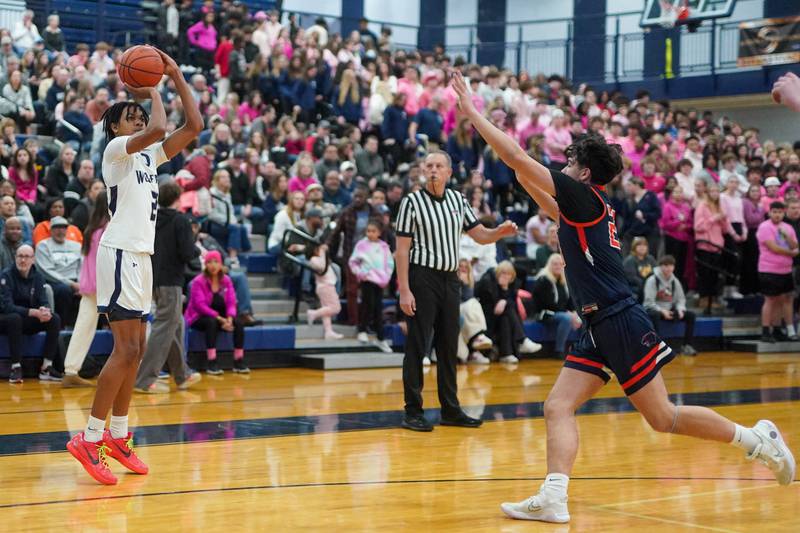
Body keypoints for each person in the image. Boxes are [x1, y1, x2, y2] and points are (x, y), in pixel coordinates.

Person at [452, 71, 795, 524]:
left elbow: (517, 156)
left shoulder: (585, 196)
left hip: (618, 318)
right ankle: (555, 494)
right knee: (557, 405)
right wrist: (517, 166)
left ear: (584, 172)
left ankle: (757, 440)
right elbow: (527, 177)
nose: (563, 165)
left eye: (569, 160)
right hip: (600, 324)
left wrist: (473, 112)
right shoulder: (584, 206)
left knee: (663, 418)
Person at [66, 48, 203, 486]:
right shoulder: (116, 151)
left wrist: (177, 75)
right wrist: (154, 91)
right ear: (114, 127)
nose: (139, 119)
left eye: (140, 116)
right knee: (125, 350)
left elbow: (194, 127)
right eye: (131, 116)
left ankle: (119, 438)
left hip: (140, 257)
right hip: (121, 251)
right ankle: (89, 438)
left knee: (138, 351)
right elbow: (162, 124)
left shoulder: (148, 157)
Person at [395, 150, 518, 432]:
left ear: (449, 172)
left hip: (451, 279)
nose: (434, 170)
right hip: (421, 277)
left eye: (439, 165)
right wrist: (404, 289)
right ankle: (412, 411)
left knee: (449, 346)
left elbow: (480, 235)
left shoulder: (457, 200)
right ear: (423, 171)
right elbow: (401, 251)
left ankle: (450, 409)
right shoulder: (411, 203)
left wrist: (499, 231)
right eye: (429, 166)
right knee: (417, 344)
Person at [135, 180, 201, 393]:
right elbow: (187, 253)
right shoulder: (180, 220)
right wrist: (197, 250)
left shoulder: (151, 218)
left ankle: (182, 375)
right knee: (164, 327)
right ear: (177, 198)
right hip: (171, 281)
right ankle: (143, 380)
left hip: (153, 279)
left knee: (175, 325)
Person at [62, 192, 109, 388]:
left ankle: (71, 371)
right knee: (128, 331)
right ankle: (138, 371)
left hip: (89, 286)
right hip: (106, 287)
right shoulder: (108, 229)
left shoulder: (91, 229)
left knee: (82, 329)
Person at [1, 244, 63, 384]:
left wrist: (45, 310)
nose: (23, 260)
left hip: (28, 319)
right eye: (20, 256)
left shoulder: (38, 276)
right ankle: (15, 367)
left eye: (26, 257)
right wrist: (32, 312)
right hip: (7, 319)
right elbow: (7, 307)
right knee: (14, 318)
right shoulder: (6, 275)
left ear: (33, 259)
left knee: (54, 319)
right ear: (15, 258)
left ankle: (46, 367)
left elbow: (43, 300)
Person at [185, 250, 247, 375]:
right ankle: (212, 362)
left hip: (220, 317)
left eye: (216, 262)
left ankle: (238, 360)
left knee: (239, 322)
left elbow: (231, 302)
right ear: (206, 265)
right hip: (198, 317)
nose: (213, 265)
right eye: (209, 262)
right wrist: (220, 319)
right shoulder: (198, 281)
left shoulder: (226, 280)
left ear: (221, 264)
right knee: (211, 322)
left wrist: (229, 318)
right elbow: (200, 305)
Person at [475, 261, 542, 364]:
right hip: (487, 320)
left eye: (508, 274)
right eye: (503, 273)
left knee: (505, 317)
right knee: (508, 309)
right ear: (497, 273)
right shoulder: (487, 282)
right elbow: (492, 306)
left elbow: (510, 304)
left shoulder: (511, 286)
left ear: (512, 276)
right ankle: (522, 340)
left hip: (501, 318)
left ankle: (506, 354)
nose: (505, 276)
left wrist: (504, 296)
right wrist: (504, 297)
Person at [349, 219, 395, 353]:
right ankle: (362, 330)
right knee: (367, 305)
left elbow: (390, 263)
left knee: (377, 308)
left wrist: (386, 276)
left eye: (373, 231)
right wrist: (361, 273)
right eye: (368, 231)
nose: (370, 233)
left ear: (379, 233)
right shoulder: (361, 245)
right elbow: (353, 262)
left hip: (380, 281)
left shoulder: (384, 247)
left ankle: (380, 338)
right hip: (367, 279)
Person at [757, 201, 799, 342]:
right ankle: (765, 330)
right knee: (770, 300)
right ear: (770, 213)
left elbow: (795, 245)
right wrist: (791, 253)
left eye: (780, 212)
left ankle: (777, 329)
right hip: (769, 269)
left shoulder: (787, 227)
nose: (777, 215)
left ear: (783, 213)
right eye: (774, 212)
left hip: (785, 270)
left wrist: (787, 237)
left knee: (785, 299)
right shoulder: (764, 227)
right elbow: (774, 248)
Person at [643, 255, 698, 356]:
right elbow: (648, 302)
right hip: (654, 310)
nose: (669, 268)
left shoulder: (675, 281)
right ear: (660, 267)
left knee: (691, 316)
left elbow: (680, 299)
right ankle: (657, 347)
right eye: (666, 265)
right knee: (655, 315)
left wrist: (680, 309)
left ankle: (687, 346)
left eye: (671, 266)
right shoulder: (652, 280)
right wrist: (662, 311)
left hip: (669, 310)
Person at [530, 254, 582, 360]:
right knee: (566, 318)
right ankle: (559, 351)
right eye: (554, 264)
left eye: (560, 264)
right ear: (549, 265)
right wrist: (568, 314)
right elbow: (547, 303)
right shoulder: (543, 280)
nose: (558, 266)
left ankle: (581, 349)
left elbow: (570, 301)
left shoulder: (564, 281)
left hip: (560, 313)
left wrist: (574, 313)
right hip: (543, 313)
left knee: (582, 316)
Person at [34, 216, 82, 327]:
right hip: (53, 281)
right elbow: (46, 271)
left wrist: (81, 284)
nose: (60, 230)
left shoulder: (77, 246)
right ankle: (62, 327)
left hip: (76, 282)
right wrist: (71, 284)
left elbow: (82, 267)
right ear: (51, 230)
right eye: (57, 228)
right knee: (64, 290)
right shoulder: (43, 246)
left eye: (63, 227)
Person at [305, 242, 343, 340]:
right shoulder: (313, 260)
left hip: (326, 286)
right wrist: (322, 251)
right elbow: (322, 267)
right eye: (318, 249)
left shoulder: (318, 258)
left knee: (327, 309)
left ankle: (328, 331)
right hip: (326, 286)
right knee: (335, 308)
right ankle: (314, 313)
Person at [623, 237, 657, 303]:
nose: (642, 247)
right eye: (639, 245)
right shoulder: (629, 260)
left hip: (650, 287)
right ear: (634, 247)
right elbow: (632, 278)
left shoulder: (651, 258)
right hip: (635, 289)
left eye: (644, 245)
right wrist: (647, 285)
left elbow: (656, 273)